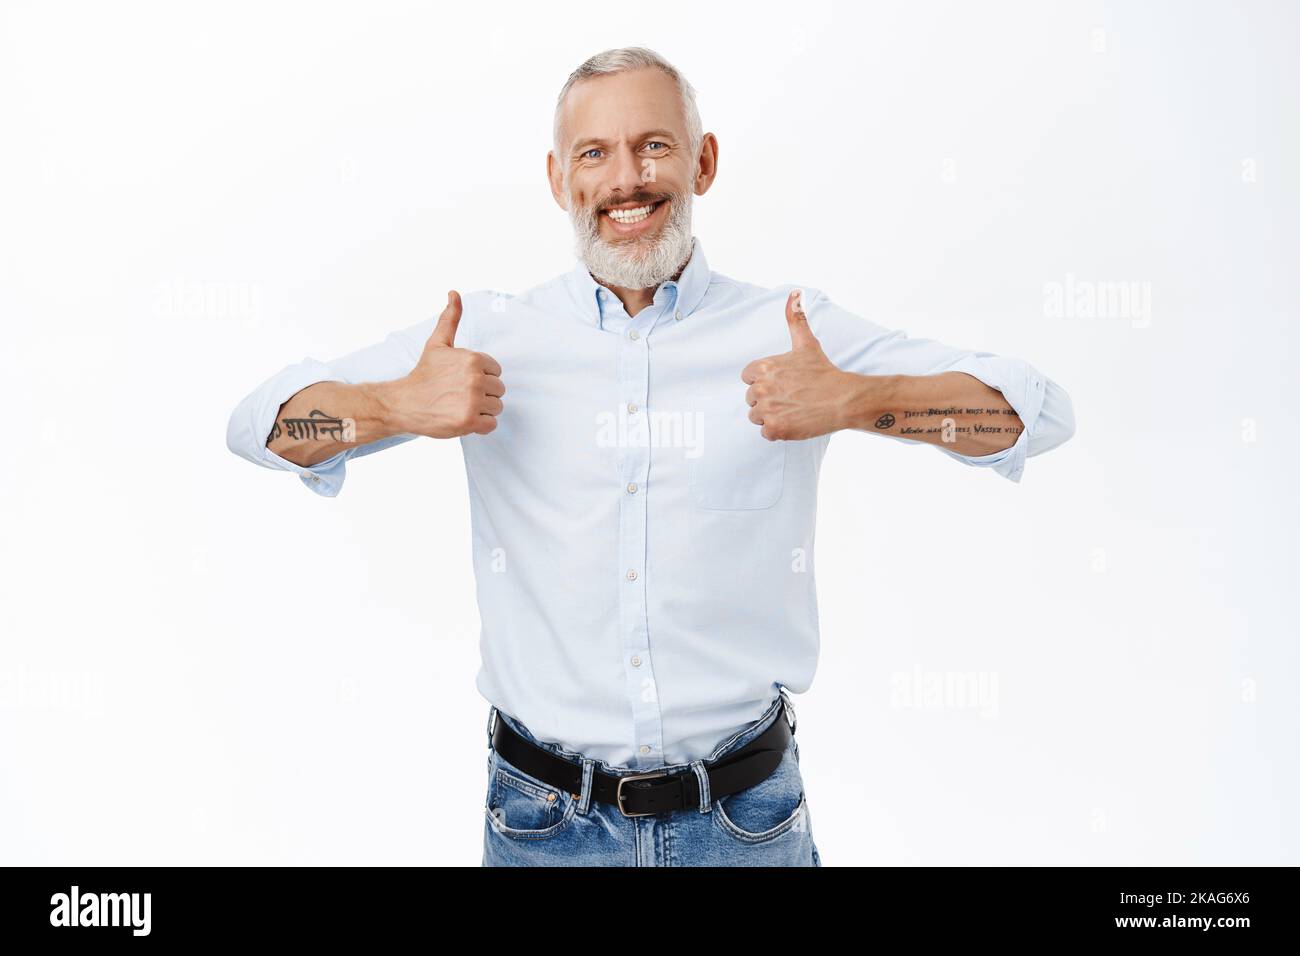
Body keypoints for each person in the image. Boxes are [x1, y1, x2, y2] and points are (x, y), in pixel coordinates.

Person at [226, 46, 1076, 866]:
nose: (626, 179)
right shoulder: (490, 334)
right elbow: (259, 424)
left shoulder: (791, 330)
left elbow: (1034, 415)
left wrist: (857, 399)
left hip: (747, 827)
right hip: (541, 830)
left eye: (653, 146)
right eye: (594, 153)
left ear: (703, 162)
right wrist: (392, 406)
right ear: (560, 180)